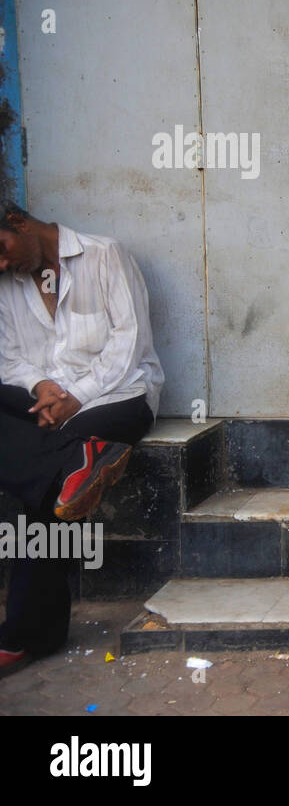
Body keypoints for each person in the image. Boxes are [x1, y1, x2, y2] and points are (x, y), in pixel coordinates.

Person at [0, 199, 162, 668]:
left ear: (17, 221)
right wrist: (45, 387)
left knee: (47, 496)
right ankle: (74, 465)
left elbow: (130, 343)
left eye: (3, 249)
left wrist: (74, 395)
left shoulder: (104, 254)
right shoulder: (9, 280)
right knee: (60, 475)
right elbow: (10, 358)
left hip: (117, 396)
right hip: (50, 402)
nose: (4, 264)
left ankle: (25, 635)